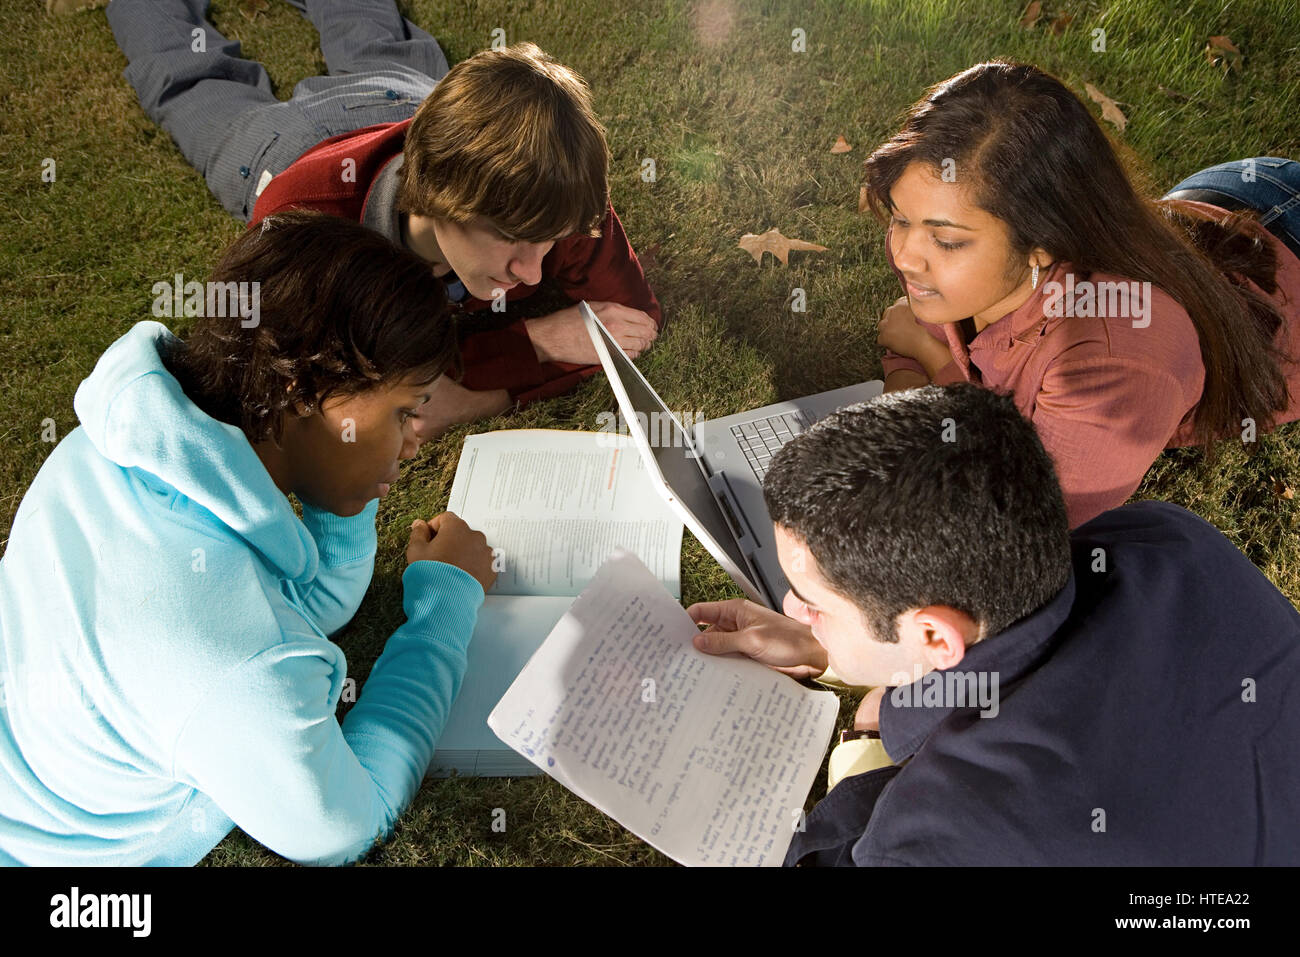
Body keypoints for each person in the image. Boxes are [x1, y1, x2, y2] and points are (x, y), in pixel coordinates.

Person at [0, 212, 497, 866]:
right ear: (299, 392)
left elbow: (311, 601)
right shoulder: (239, 664)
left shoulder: (112, 446)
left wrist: (351, 489)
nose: (416, 438)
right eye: (405, 411)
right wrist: (444, 608)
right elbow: (348, 820)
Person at [687, 383, 1300, 865]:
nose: (792, 610)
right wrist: (846, 648)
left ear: (934, 638)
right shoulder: (1169, 538)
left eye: (811, 600)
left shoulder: (935, 838)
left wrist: (863, 748)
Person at [104, 0, 663, 439]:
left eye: (548, 244)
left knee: (363, 16)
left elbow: (635, 320)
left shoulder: (544, 193)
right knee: (184, 75)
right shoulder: (305, 233)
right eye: (512, 241)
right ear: (442, 197)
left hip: (403, 100)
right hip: (283, 149)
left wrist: (474, 392)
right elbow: (341, 392)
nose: (535, 273)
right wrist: (538, 341)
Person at [863, 61, 1300, 528]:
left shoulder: (1112, 363)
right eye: (900, 217)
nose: (905, 256)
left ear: (1042, 242)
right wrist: (912, 388)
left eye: (946, 240)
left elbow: (1021, 522)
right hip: (1232, 195)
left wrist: (932, 360)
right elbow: (907, 344)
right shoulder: (947, 245)